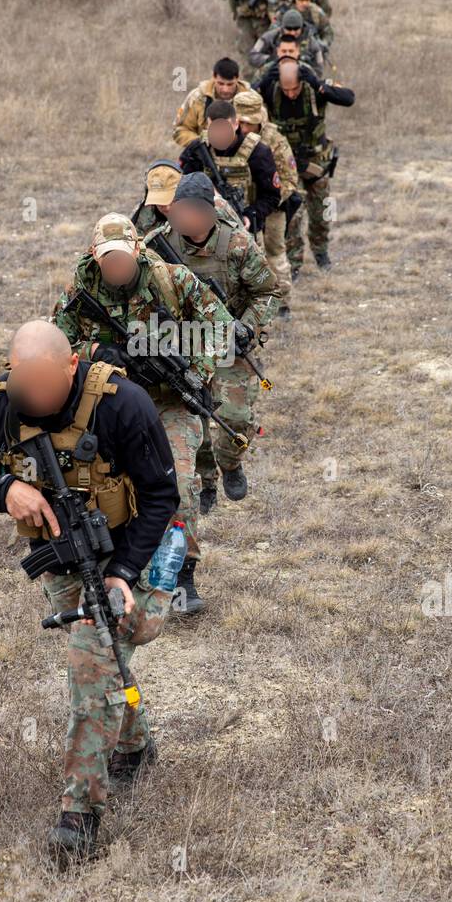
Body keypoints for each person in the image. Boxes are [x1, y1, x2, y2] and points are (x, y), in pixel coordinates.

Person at [0, 320, 180, 863]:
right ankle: (134, 745)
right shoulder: (0, 402)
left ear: (72, 366)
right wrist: (6, 489)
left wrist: (123, 571)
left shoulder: (124, 403)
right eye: (25, 387)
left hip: (134, 552)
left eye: (46, 387)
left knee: (89, 662)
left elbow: (162, 493)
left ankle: (79, 816)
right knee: (99, 664)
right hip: (62, 559)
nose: (36, 399)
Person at [52, 214, 234, 614]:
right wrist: (95, 354)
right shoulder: (81, 289)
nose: (115, 266)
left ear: (137, 250)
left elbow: (221, 325)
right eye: (107, 259)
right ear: (94, 257)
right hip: (108, 402)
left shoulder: (173, 280)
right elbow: (53, 345)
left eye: (121, 257)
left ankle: (181, 569)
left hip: (170, 398)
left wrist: (196, 369)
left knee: (178, 485)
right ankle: (112, 568)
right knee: (101, 484)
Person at [151, 172, 278, 512]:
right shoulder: (159, 246)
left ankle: (231, 464)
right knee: (197, 419)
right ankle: (206, 481)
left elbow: (267, 292)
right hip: (188, 348)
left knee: (236, 418)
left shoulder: (237, 244)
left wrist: (247, 328)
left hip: (231, 345)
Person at [257, 58, 355, 273]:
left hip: (316, 163)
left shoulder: (314, 90)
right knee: (293, 215)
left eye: (294, 89)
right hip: (287, 164)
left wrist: (320, 85)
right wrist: (262, 84)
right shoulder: (271, 92)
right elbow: (243, 101)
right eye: (286, 89)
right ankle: (293, 264)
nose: (291, 93)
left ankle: (321, 252)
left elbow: (348, 98)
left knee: (321, 212)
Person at [232, 88, 297, 318]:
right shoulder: (229, 137)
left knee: (275, 252)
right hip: (239, 209)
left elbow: (289, 179)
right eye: (241, 122)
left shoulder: (274, 139)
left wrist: (269, 200)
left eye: (250, 123)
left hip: (272, 209)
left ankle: (282, 303)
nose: (245, 128)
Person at [179, 98, 281, 235]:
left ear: (236, 124)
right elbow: (182, 185)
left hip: (245, 231)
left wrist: (250, 215)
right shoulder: (198, 149)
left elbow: (271, 196)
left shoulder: (258, 152)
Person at [173, 56, 250, 151]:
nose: (225, 90)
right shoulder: (198, 98)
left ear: (237, 78)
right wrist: (201, 144)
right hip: (204, 155)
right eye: (221, 83)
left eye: (230, 84)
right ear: (213, 77)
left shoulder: (251, 99)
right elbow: (180, 130)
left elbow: (264, 131)